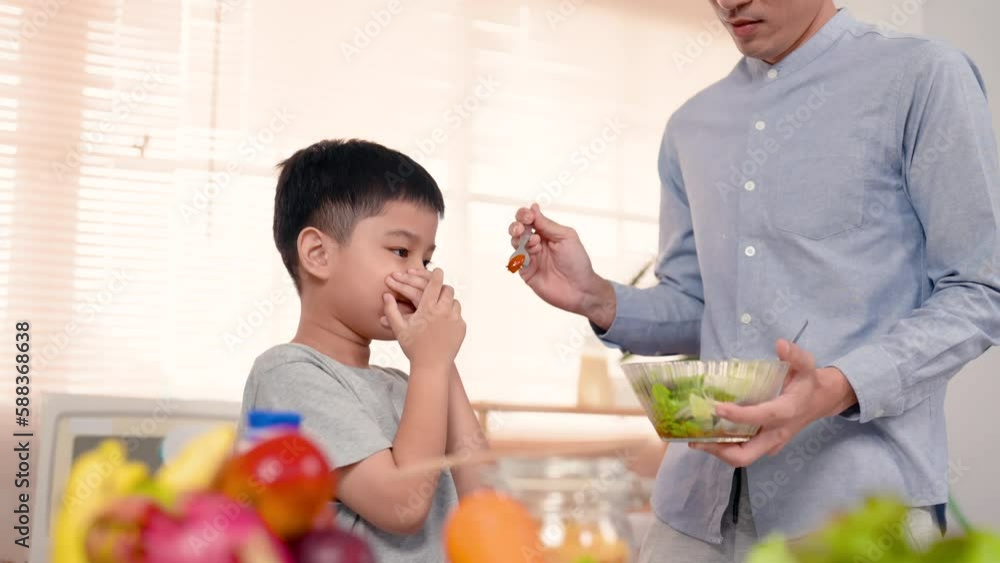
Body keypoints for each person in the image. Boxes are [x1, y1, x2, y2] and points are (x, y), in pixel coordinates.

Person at [509, 1, 1000, 561]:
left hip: (858, 510)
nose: (728, 2)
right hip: (693, 512)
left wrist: (839, 385)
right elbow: (699, 307)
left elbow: (981, 290)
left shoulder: (922, 77)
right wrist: (596, 297)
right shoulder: (692, 124)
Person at [238, 138, 485, 562]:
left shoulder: (411, 384)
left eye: (426, 260)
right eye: (401, 251)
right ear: (318, 254)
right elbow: (402, 506)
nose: (422, 276)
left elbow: (485, 502)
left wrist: (442, 361)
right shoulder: (287, 374)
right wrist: (431, 363)